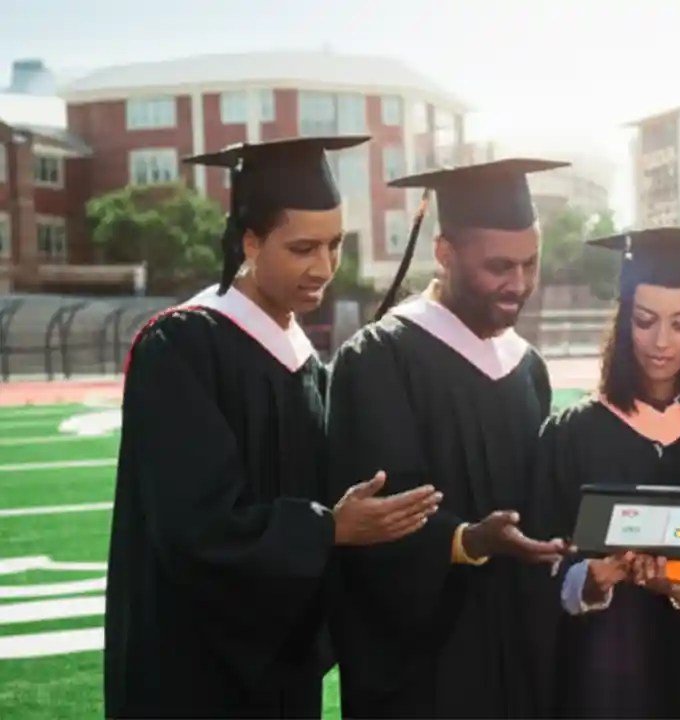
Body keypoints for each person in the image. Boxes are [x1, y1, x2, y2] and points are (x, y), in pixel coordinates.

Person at [103, 136, 441, 719]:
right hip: (191, 672)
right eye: (303, 248)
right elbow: (195, 527)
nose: (325, 268)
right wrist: (327, 530)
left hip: (281, 668)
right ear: (250, 243)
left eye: (335, 245)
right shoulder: (182, 346)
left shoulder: (306, 363)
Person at [325, 158, 575, 718]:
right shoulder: (379, 359)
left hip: (520, 653)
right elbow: (379, 521)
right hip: (427, 671)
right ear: (444, 253)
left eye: (530, 264)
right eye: (498, 266)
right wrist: (466, 540)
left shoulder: (527, 367)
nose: (518, 284)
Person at [527, 227, 680, 718]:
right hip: (599, 685)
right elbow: (537, 563)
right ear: (623, 318)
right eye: (645, 320)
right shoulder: (571, 435)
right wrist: (589, 580)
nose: (661, 342)